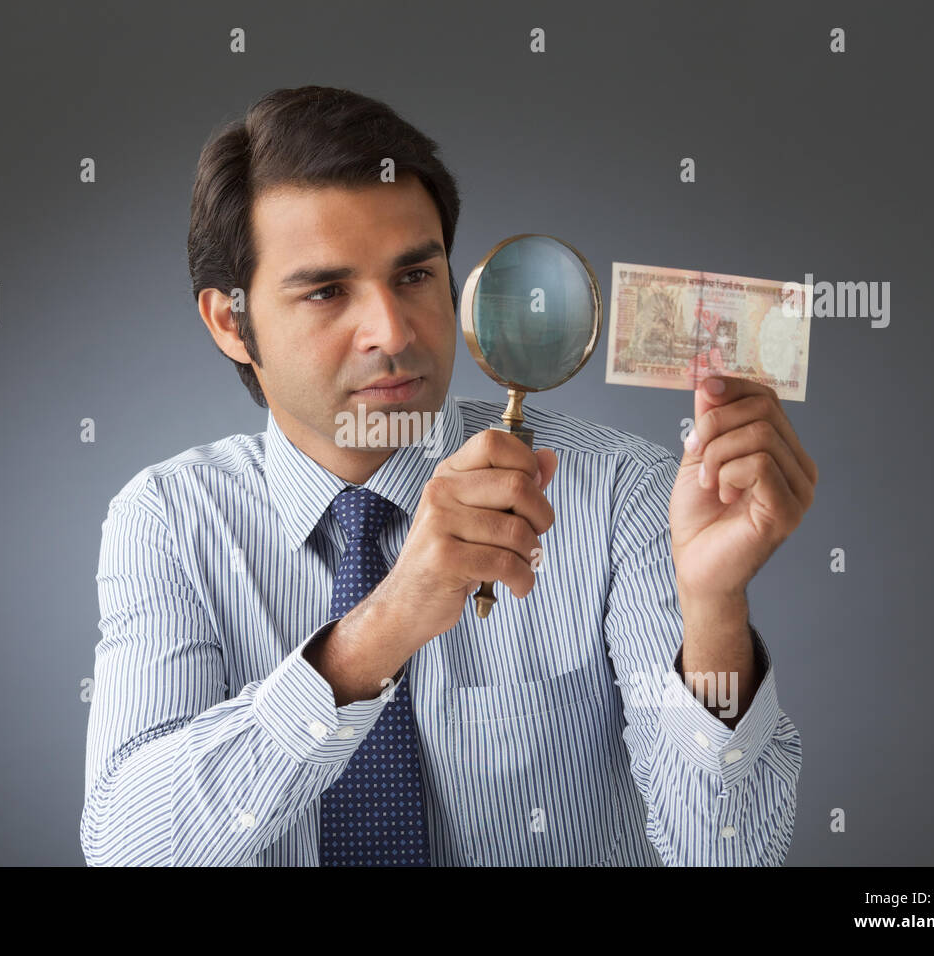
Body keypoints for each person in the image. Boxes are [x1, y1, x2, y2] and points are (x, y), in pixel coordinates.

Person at [80, 85, 818, 866]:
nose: (393, 333)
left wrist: (712, 611)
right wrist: (383, 628)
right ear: (233, 323)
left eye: (414, 277)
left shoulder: (622, 493)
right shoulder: (166, 520)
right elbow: (129, 848)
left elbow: (730, 856)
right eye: (327, 291)